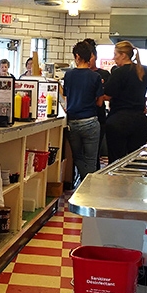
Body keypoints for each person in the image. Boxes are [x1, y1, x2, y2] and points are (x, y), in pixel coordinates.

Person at [104, 40, 147, 163]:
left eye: (115, 54)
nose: (114, 58)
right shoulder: (143, 70)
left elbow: (107, 95)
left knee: (116, 162)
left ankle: (116, 182)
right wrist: (146, 98)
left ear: (123, 55)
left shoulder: (118, 73)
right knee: (135, 162)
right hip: (139, 123)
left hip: (118, 122)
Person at [62, 41, 105, 186]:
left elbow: (66, 98)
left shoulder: (68, 75)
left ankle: (82, 183)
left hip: (73, 122)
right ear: (90, 57)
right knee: (91, 159)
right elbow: (99, 103)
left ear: (77, 56)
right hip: (91, 122)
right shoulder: (95, 77)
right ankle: (88, 187)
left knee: (77, 157)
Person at [84, 37, 110, 161]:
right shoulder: (77, 74)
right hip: (82, 116)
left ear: (95, 57)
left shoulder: (104, 74)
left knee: (94, 155)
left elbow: (110, 96)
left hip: (98, 116)